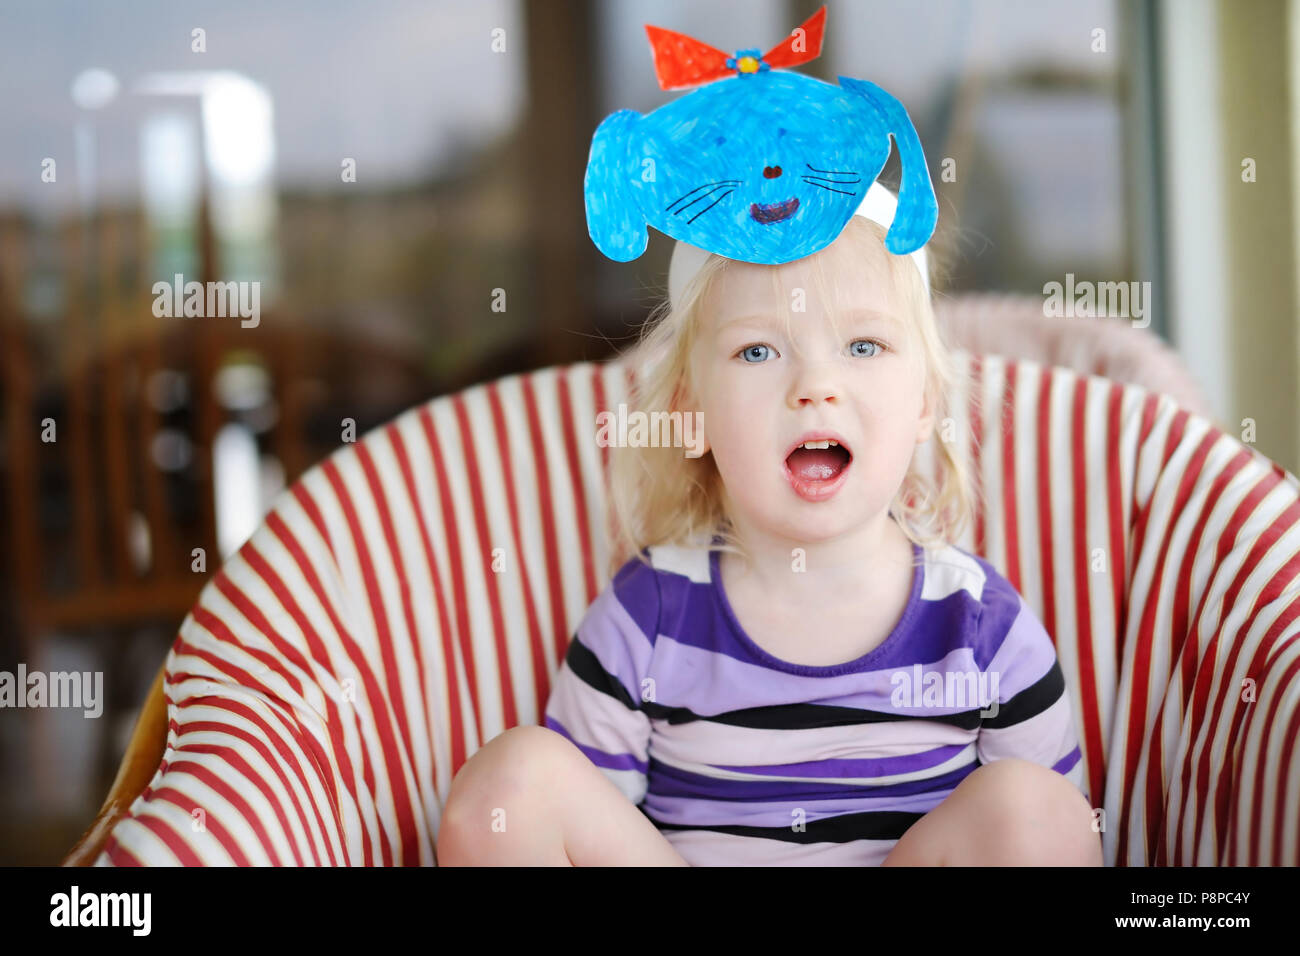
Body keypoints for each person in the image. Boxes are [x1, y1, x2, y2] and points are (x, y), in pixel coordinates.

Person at [435, 185, 1104, 867]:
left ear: (926, 401)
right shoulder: (648, 621)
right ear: (692, 408)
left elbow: (1056, 842)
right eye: (758, 352)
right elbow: (580, 832)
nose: (815, 384)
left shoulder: (980, 630)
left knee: (1040, 810)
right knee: (513, 783)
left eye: (864, 345)